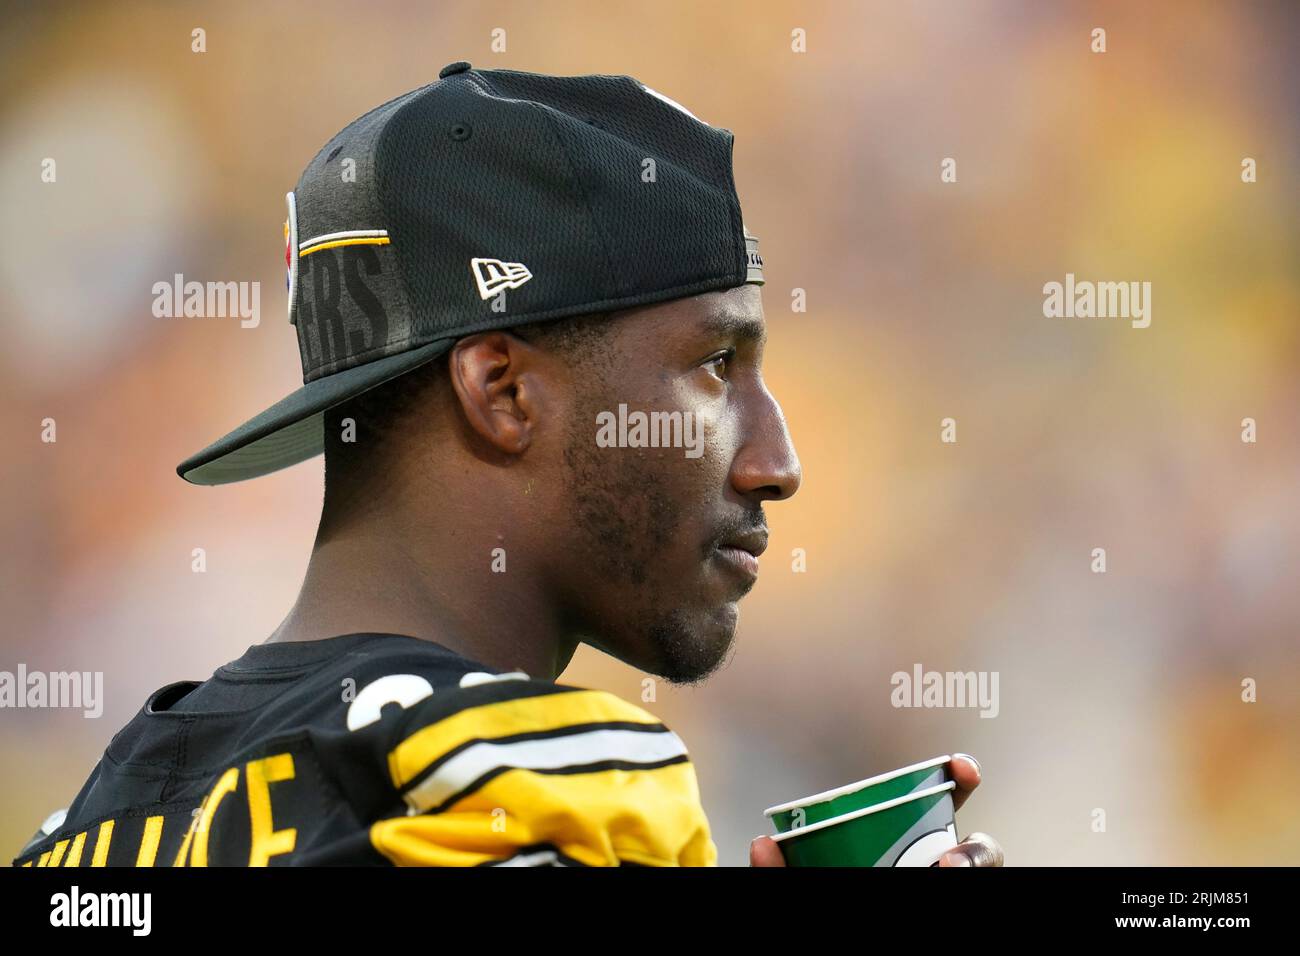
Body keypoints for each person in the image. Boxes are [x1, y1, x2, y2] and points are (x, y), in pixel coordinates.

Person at [14, 62, 1001, 868]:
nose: (774, 462)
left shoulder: (96, 822)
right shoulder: (523, 783)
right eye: (712, 364)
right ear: (504, 392)